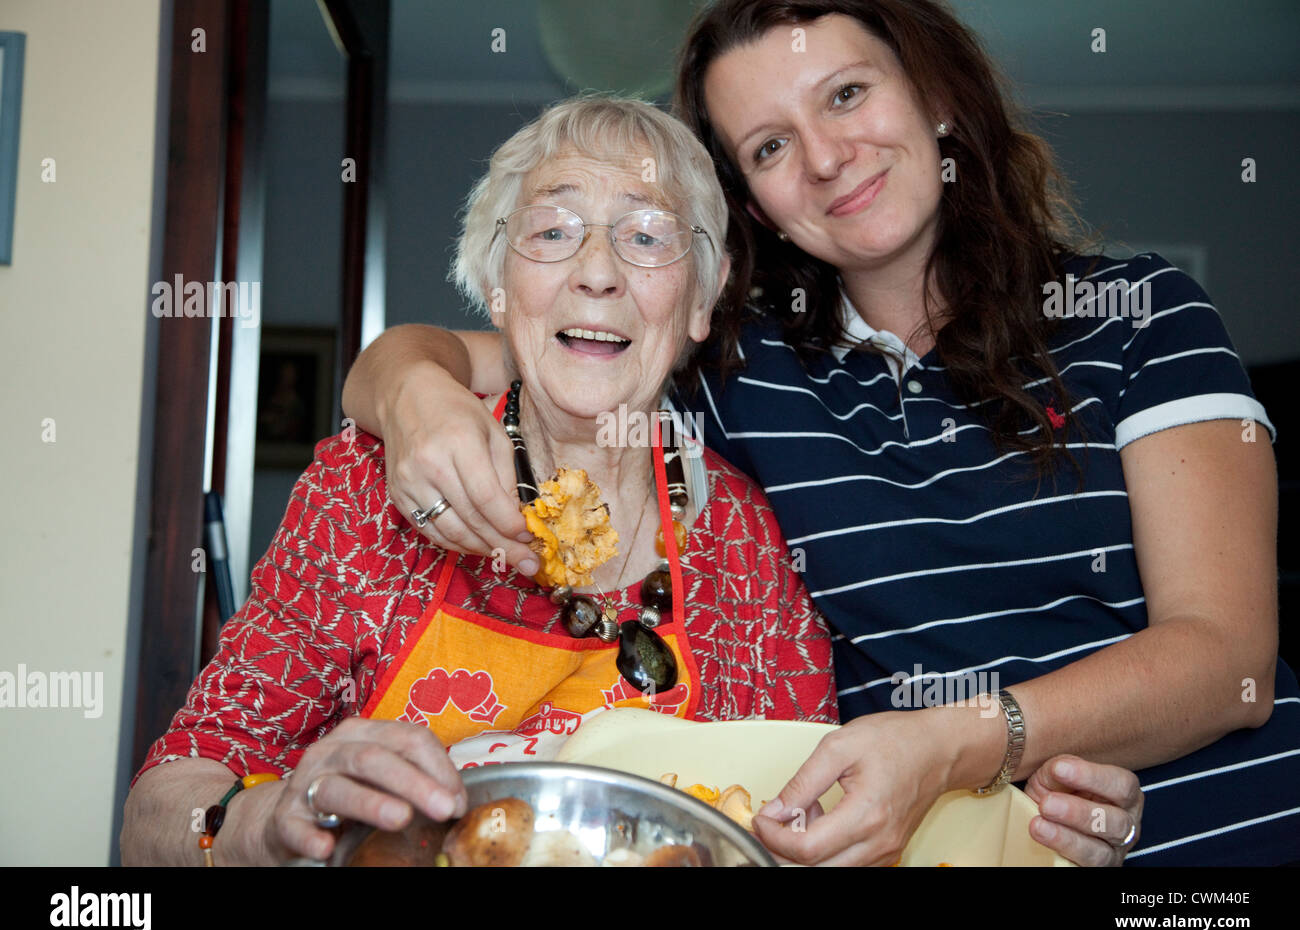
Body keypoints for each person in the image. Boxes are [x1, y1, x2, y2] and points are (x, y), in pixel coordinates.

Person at [341, 0, 1299, 867]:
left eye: (846, 94)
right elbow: (526, 346)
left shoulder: (1140, 315)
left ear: (935, 97)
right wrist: (406, 387)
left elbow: (1228, 658)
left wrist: (966, 743)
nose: (827, 157)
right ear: (756, 205)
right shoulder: (741, 371)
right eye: (769, 146)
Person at [123, 94, 1135, 868]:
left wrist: (1021, 821)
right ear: (496, 281)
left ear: (697, 305)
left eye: (647, 237)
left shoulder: (740, 531)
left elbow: (810, 821)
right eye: (553, 230)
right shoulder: (365, 485)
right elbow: (159, 809)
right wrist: (273, 816)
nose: (597, 271)